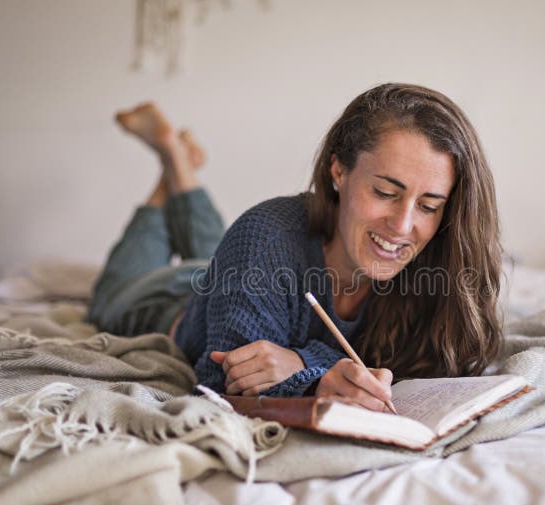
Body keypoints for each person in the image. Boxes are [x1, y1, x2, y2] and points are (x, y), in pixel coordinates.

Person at [88, 83, 503, 412]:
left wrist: (300, 360)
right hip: (167, 298)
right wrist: (314, 371)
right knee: (111, 297)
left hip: (235, 276)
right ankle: (170, 169)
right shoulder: (264, 235)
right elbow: (221, 385)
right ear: (338, 170)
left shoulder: (437, 255)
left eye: (429, 205)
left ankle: (177, 165)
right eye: (384, 192)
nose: (402, 226)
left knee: (214, 251)